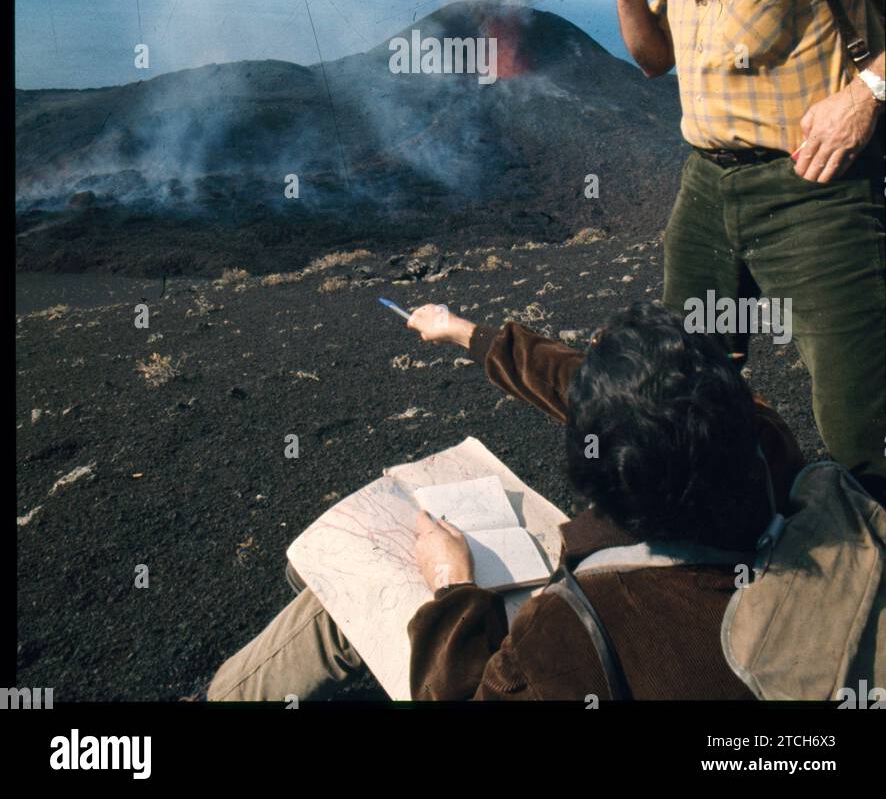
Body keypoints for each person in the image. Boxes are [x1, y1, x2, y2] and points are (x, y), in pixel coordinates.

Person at [202, 300, 805, 702]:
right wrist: (464, 331)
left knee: (340, 598)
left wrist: (451, 590)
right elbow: (592, 387)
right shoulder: (762, 444)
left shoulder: (577, 631)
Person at [596, 0, 885, 505]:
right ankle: (713, 554)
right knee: (683, 383)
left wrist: (868, 92)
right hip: (707, 188)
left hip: (812, 191)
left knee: (859, 415)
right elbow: (656, 59)